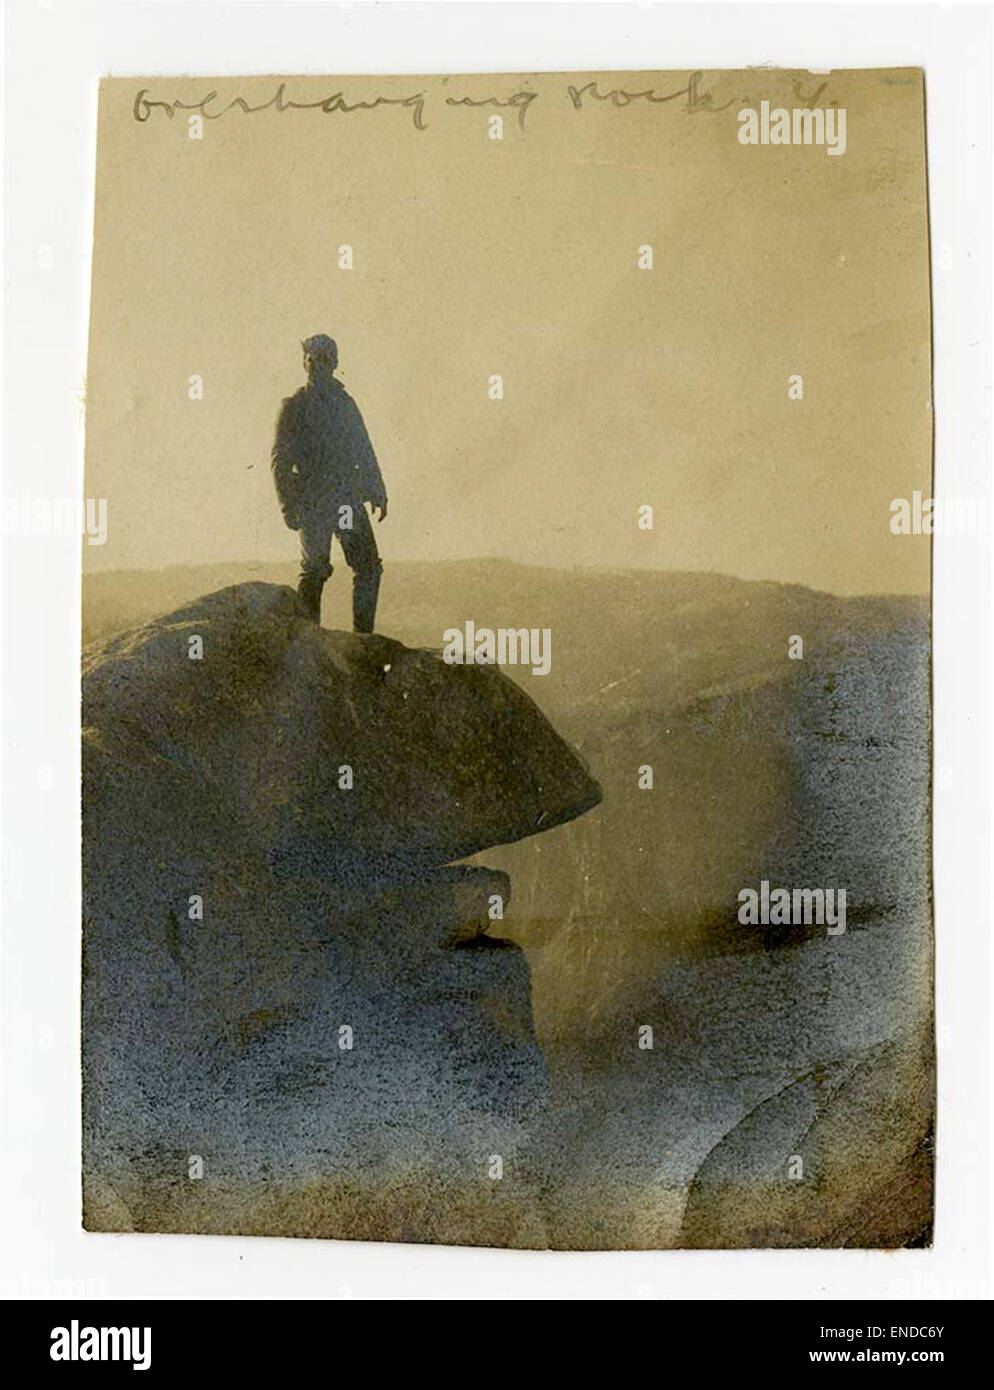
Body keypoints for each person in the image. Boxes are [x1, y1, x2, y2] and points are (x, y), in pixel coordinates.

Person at [271, 334, 387, 630]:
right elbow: (280, 462)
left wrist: (377, 490)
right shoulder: (294, 407)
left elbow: (364, 448)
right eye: (310, 361)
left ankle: (363, 638)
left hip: (346, 501)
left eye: (322, 361)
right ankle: (307, 639)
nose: (315, 367)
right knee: (315, 569)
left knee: (367, 566)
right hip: (313, 502)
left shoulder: (345, 404)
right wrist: (287, 505)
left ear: (333, 364)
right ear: (303, 363)